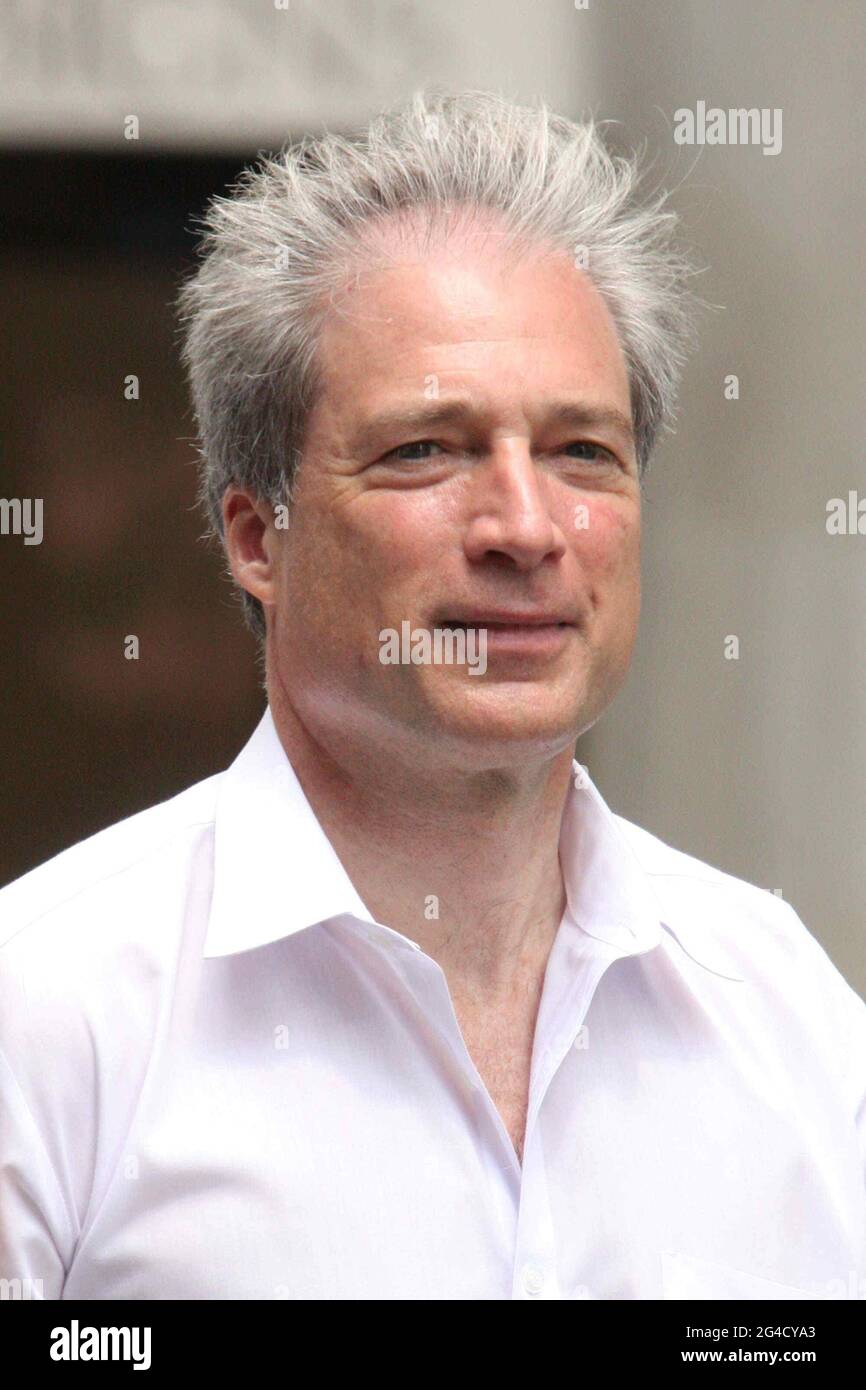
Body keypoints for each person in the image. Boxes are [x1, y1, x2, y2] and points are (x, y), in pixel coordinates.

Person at [2, 90, 864, 1302]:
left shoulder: (777, 1006)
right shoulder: (47, 1013)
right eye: (426, 450)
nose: (524, 528)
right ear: (256, 537)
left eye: (581, 452)